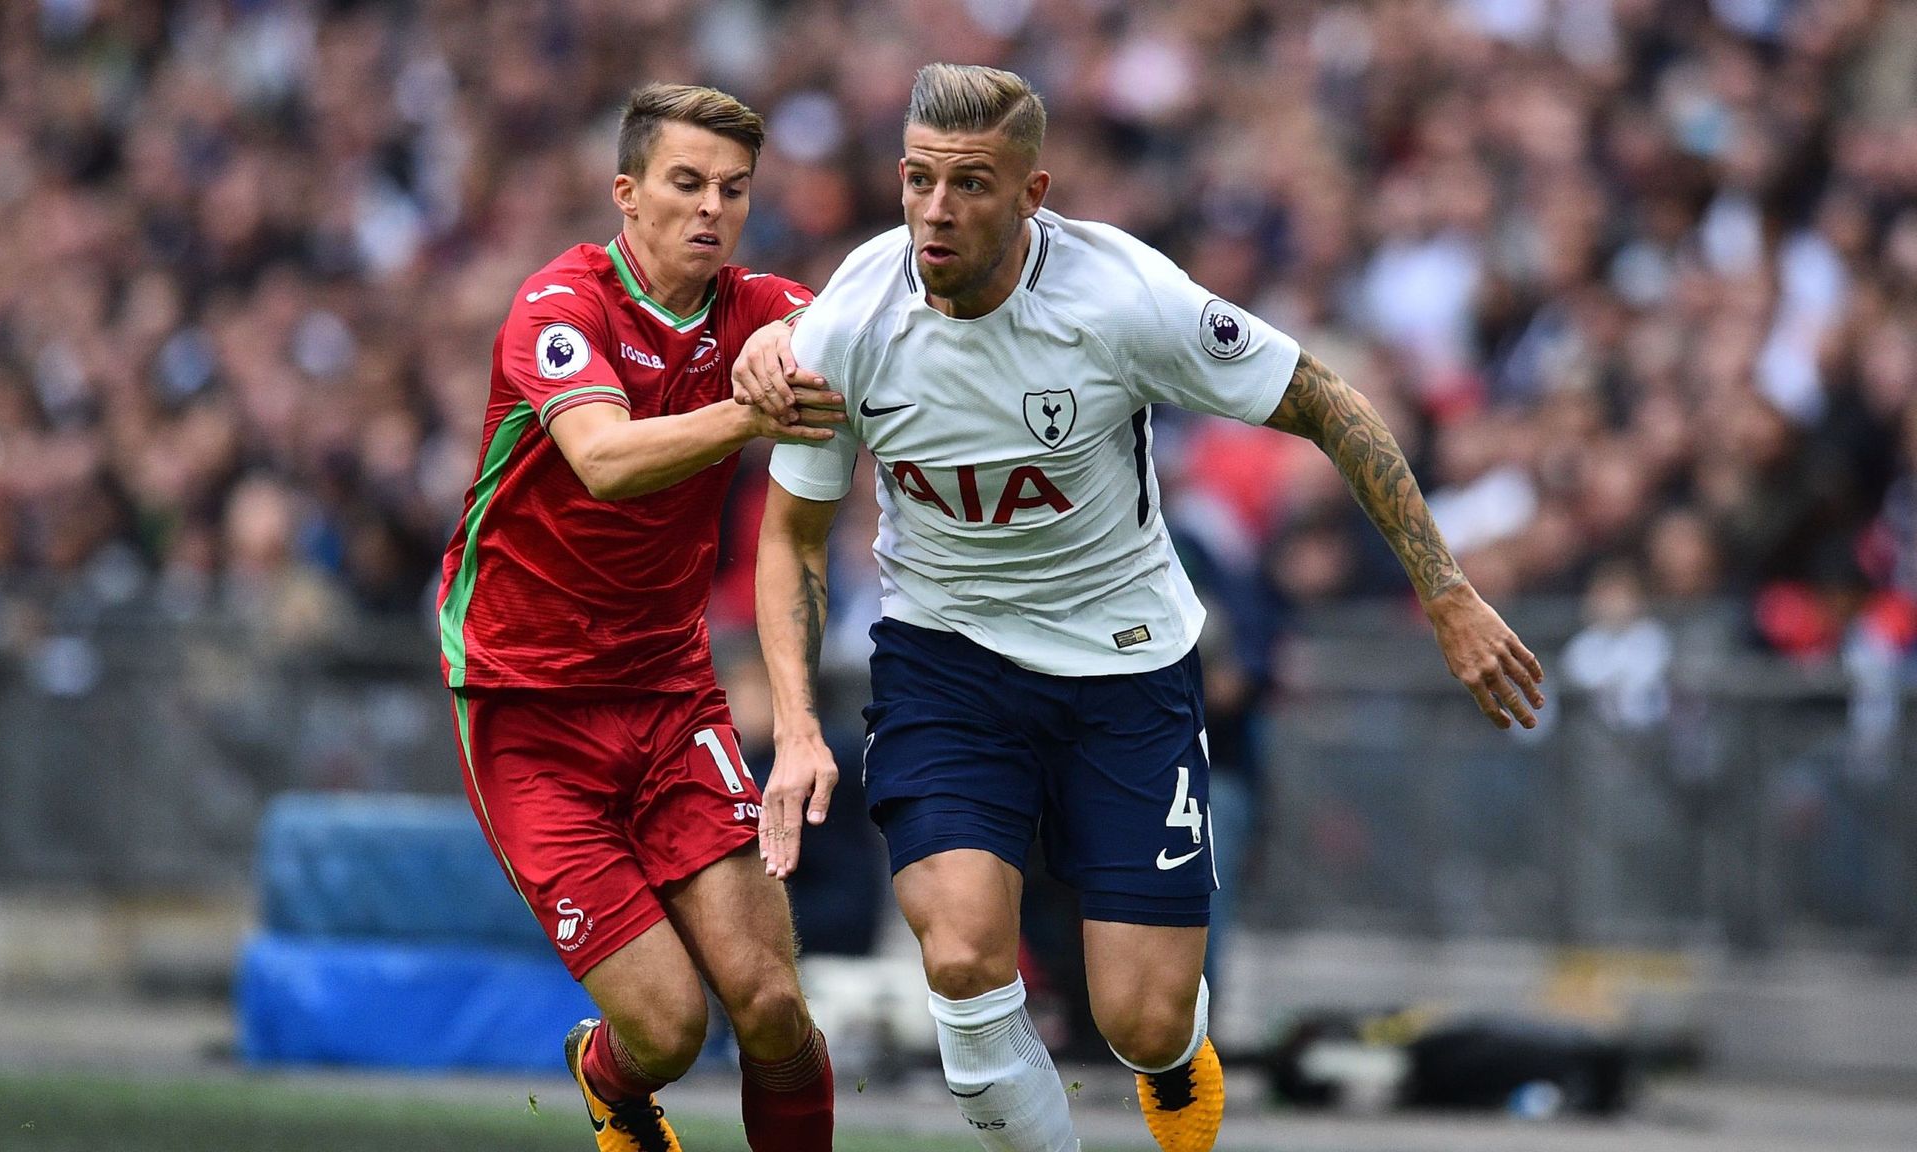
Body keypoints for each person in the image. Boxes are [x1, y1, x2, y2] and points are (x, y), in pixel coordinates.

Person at [740, 64, 1545, 1152]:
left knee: (1144, 1019)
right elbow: (789, 538)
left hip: (1123, 669)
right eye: (920, 180)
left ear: (1032, 196)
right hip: (944, 665)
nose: (937, 209)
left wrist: (1445, 595)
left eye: (970, 183)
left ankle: (1173, 1067)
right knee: (964, 962)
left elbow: (1326, 400)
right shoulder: (848, 327)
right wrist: (793, 726)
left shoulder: (1122, 299)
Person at [435, 83, 844, 1152]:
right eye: (686, 183)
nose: (711, 207)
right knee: (666, 1029)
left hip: (670, 693)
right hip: (526, 708)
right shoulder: (557, 307)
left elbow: (838, 326)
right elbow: (605, 462)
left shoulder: (748, 307)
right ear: (627, 193)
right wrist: (751, 408)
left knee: (769, 1005)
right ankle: (611, 1078)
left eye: (733, 189)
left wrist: (797, 337)